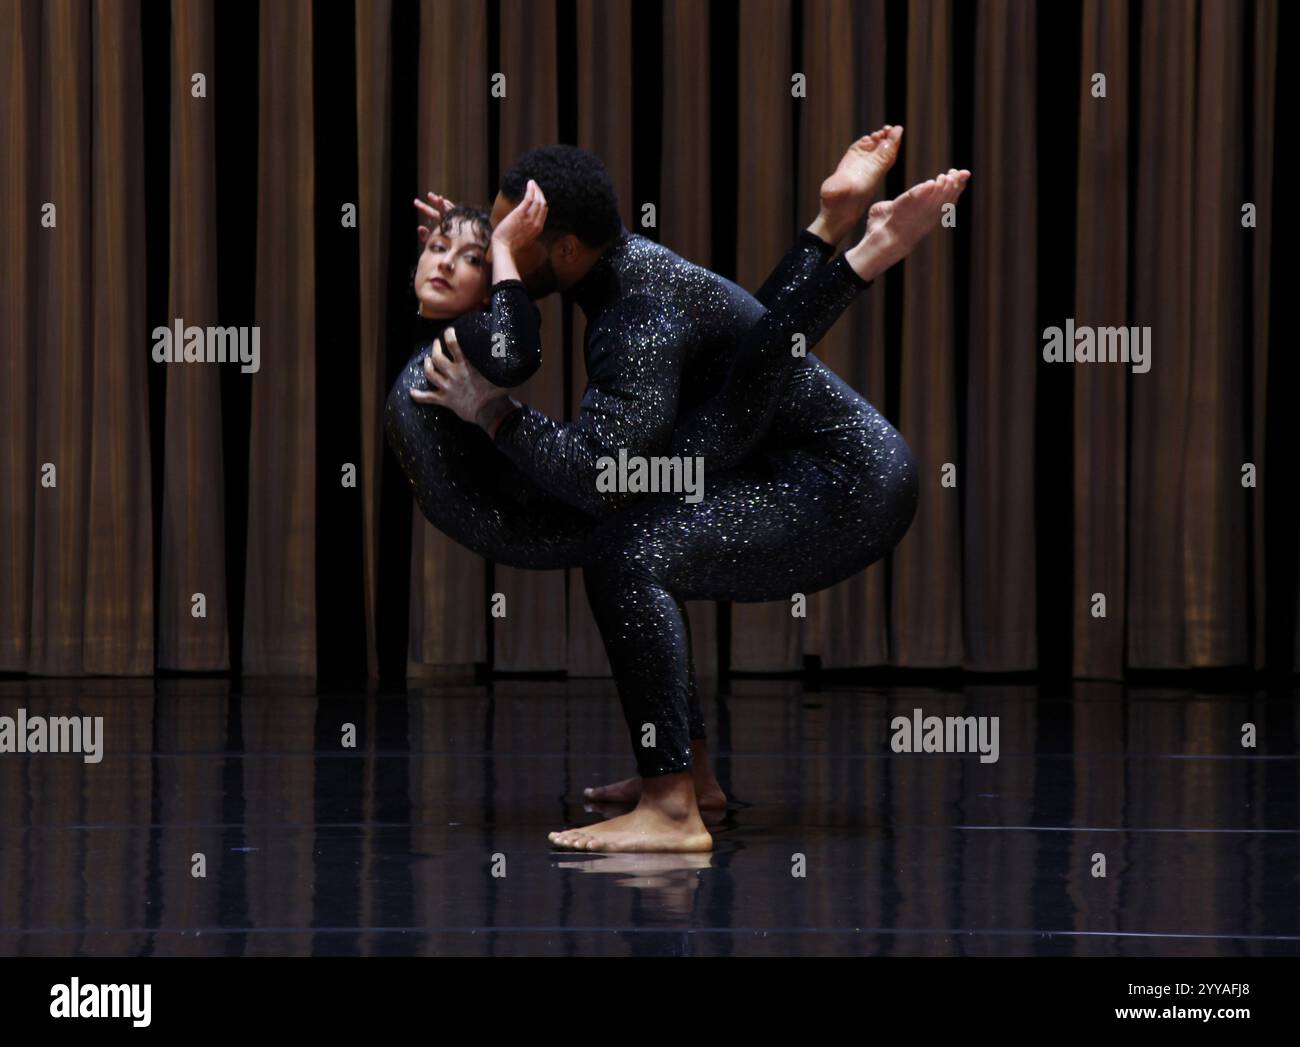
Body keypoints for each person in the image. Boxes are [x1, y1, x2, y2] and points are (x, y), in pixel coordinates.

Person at [384, 132, 970, 852]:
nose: (504, 245)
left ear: (564, 249)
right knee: (646, 510)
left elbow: (603, 474)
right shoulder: (628, 278)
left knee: (628, 549)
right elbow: (755, 352)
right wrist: (473, 247)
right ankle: (690, 776)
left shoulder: (636, 317)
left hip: (843, 485)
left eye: (515, 233)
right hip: (768, 457)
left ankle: (671, 810)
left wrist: (494, 410)